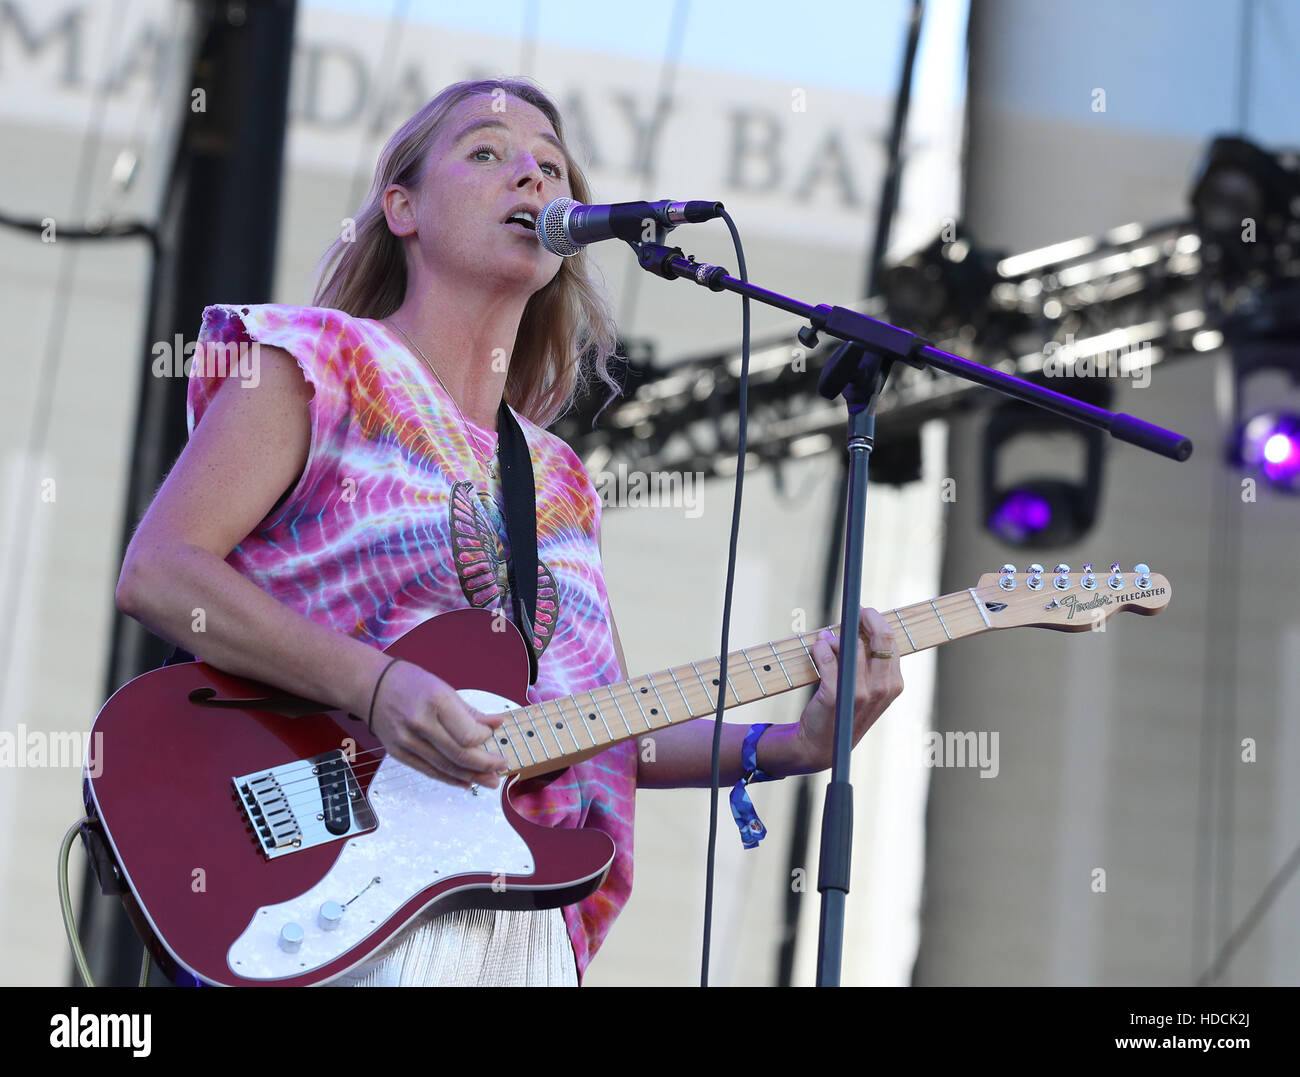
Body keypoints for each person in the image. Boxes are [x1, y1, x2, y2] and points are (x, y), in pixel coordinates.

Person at [114, 76, 905, 986]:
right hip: (329, 892)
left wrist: (788, 746)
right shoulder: (317, 364)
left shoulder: (557, 479)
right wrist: (378, 686)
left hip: (515, 926)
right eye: (487, 152)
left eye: (551, 165)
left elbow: (584, 730)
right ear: (401, 207)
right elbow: (162, 572)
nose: (530, 176)